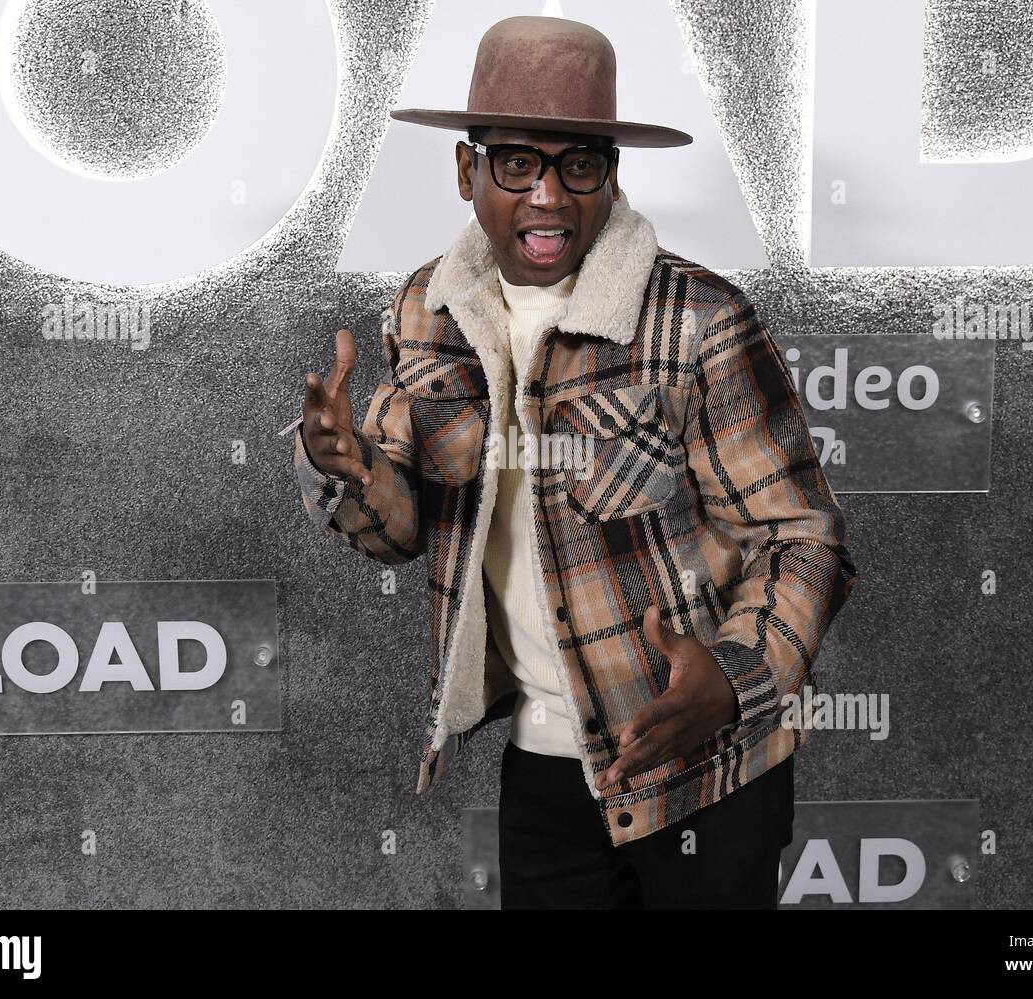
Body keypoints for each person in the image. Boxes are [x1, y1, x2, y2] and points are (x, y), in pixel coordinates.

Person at [292, 15, 858, 909]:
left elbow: (804, 538)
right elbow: (407, 529)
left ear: (610, 174)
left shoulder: (698, 320)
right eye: (518, 162)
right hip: (546, 773)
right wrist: (353, 466)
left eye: (578, 164)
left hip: (703, 773)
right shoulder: (427, 313)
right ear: (468, 169)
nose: (549, 196)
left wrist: (737, 676)